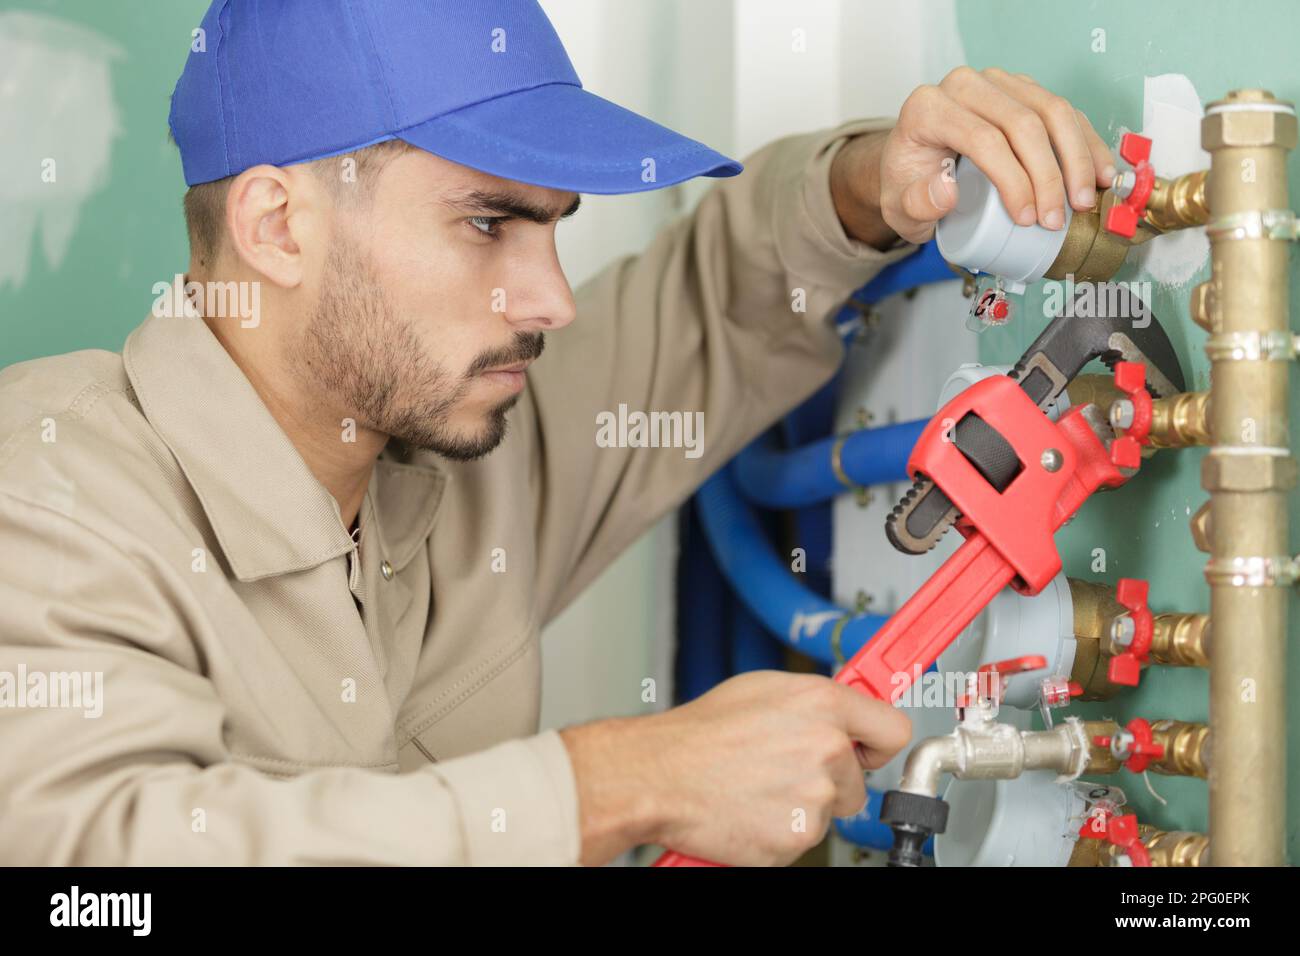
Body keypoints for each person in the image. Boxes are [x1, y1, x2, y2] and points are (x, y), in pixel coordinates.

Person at [0, 0, 1115, 865]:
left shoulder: (449, 452)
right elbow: (99, 859)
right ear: (278, 225)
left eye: (553, 229)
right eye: (488, 222)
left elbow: (713, 299)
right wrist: (613, 782)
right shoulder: (46, 487)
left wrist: (880, 187)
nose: (550, 299)